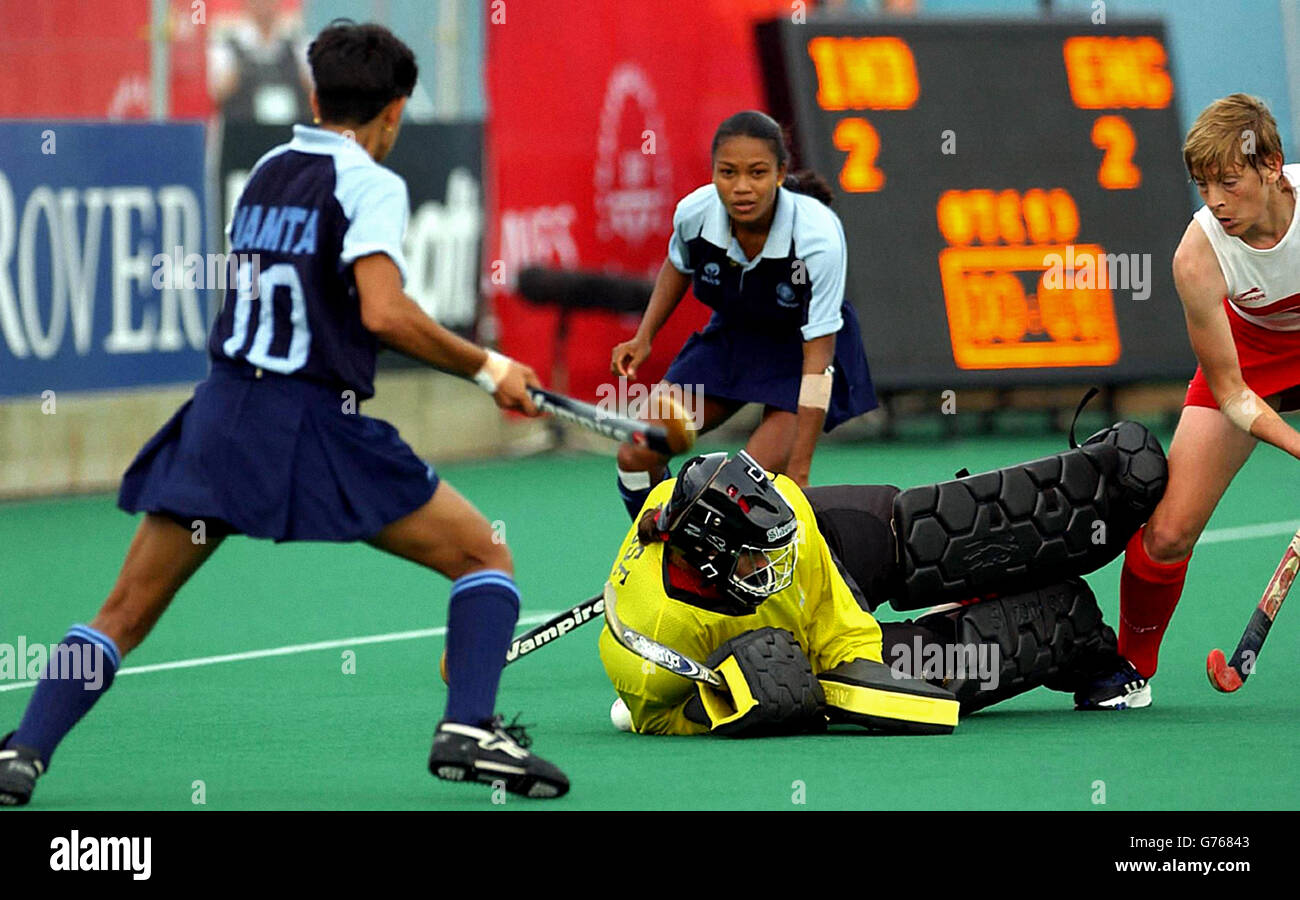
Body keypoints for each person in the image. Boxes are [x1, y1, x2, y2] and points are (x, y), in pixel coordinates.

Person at [0, 21, 569, 806]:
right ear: (396, 110)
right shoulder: (371, 183)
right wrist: (489, 367)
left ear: (315, 95)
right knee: (482, 556)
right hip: (309, 421)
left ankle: (23, 749)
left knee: (124, 610)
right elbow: (382, 312)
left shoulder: (268, 169)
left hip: (220, 413)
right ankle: (468, 727)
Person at [599, 447, 1143, 737]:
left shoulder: (777, 514)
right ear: (708, 554)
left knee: (918, 532)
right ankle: (1084, 649)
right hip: (806, 659)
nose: (770, 565)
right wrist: (720, 706)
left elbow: (835, 618)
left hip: (825, 568)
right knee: (952, 661)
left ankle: (1104, 485)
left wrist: (857, 652)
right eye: (755, 557)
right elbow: (653, 717)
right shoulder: (653, 646)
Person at [1087, 94, 1300, 709]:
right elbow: (1231, 393)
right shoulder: (1198, 254)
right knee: (1169, 532)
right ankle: (1131, 666)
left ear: (1272, 166)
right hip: (1250, 354)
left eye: (1228, 182)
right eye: (1203, 186)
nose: (1215, 201)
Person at [609, 111, 876, 520]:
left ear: (780, 173)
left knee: (738, 493)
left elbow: (818, 361)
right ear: (713, 173)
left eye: (757, 173)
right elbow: (679, 264)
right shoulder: (694, 213)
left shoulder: (817, 236)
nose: (741, 187)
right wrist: (644, 336)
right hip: (735, 337)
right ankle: (661, 543)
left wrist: (799, 472)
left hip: (801, 353)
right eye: (728, 173)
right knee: (636, 453)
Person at [209, 0, 313, 124]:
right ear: (246, 4)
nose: (263, 5)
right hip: (243, 126)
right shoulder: (227, 43)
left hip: (290, 126)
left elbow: (314, 88)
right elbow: (218, 92)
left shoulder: (298, 42)